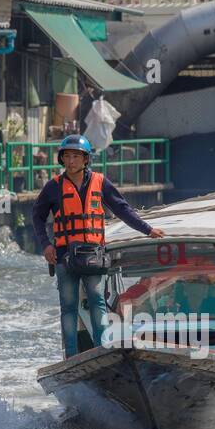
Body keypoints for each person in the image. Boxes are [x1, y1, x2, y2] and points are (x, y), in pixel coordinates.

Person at [32, 134, 165, 357]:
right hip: (64, 256)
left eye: (76, 156)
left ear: (86, 159)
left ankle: (103, 351)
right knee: (68, 306)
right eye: (67, 156)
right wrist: (46, 245)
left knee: (97, 301)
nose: (71, 160)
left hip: (94, 255)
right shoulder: (53, 187)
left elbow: (123, 209)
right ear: (61, 159)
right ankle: (72, 356)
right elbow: (37, 216)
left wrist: (147, 229)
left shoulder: (100, 182)